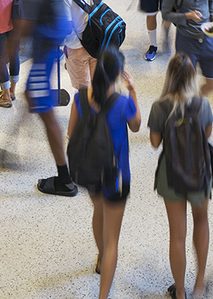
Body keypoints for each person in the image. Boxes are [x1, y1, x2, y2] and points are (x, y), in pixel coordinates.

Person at [67, 49, 140, 299]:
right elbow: (137, 125)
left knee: (98, 211)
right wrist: (133, 92)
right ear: (117, 74)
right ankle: (103, 294)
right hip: (116, 175)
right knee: (113, 243)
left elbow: (70, 133)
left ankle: (100, 259)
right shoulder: (122, 103)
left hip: (90, 171)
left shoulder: (81, 97)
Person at [148, 53, 213, 299]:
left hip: (170, 175)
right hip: (199, 171)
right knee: (202, 222)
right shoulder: (202, 104)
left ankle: (181, 292)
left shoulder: (159, 106)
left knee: (177, 234)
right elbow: (206, 134)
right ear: (192, 77)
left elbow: (155, 143)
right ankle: (199, 284)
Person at [18, 0, 76, 196]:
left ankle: (65, 178)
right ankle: (14, 148)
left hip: (43, 58)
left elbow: (23, 28)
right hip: (50, 52)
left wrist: (3, 56)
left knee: (48, 115)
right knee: (32, 98)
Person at [58, 0, 98, 89]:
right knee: (96, 86)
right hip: (96, 42)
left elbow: (66, 28)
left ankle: (86, 110)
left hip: (76, 47)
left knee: (83, 90)